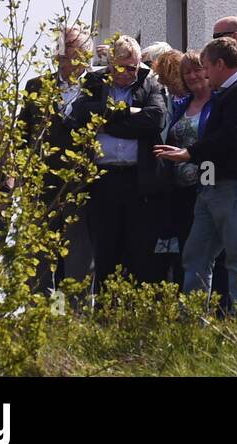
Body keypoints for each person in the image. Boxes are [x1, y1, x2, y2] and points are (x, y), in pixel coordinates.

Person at [155, 36, 237, 304]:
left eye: (204, 66)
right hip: (214, 187)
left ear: (219, 64)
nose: (202, 73)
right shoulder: (230, 92)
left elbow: (230, 137)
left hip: (235, 187)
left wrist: (189, 152)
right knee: (197, 255)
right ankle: (194, 324)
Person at [67, 35, 168, 292]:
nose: (127, 73)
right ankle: (104, 321)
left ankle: (133, 319)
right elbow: (80, 114)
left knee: (138, 254)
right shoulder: (94, 81)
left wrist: (109, 123)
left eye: (133, 67)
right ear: (111, 64)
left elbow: (155, 120)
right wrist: (128, 114)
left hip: (138, 180)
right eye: (121, 67)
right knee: (105, 253)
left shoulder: (149, 83)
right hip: (103, 180)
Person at [21, 24, 96, 288]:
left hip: (82, 183)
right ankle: (40, 316)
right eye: (62, 47)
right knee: (38, 256)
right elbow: (22, 135)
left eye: (71, 47)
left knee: (78, 255)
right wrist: (23, 174)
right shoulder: (36, 86)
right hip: (41, 184)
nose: (65, 54)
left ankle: (72, 319)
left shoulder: (97, 86)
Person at [159, 50, 214, 283]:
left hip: (207, 185)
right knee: (185, 248)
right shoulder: (181, 105)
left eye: (197, 69)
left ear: (207, 71)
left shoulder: (219, 102)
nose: (192, 76)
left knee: (209, 249)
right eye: (187, 72)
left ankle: (219, 309)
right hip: (179, 187)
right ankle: (187, 307)